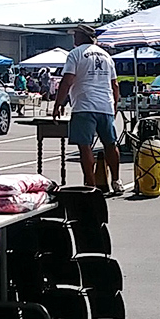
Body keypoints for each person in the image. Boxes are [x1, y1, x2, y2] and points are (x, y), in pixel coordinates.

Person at [53, 23, 122, 194]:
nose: (73, 38)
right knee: (110, 143)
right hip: (104, 104)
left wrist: (58, 104)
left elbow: (67, 80)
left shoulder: (75, 54)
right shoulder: (107, 56)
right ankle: (116, 180)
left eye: (75, 34)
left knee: (85, 146)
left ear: (82, 36)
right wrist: (114, 104)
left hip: (84, 105)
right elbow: (115, 85)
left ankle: (91, 185)